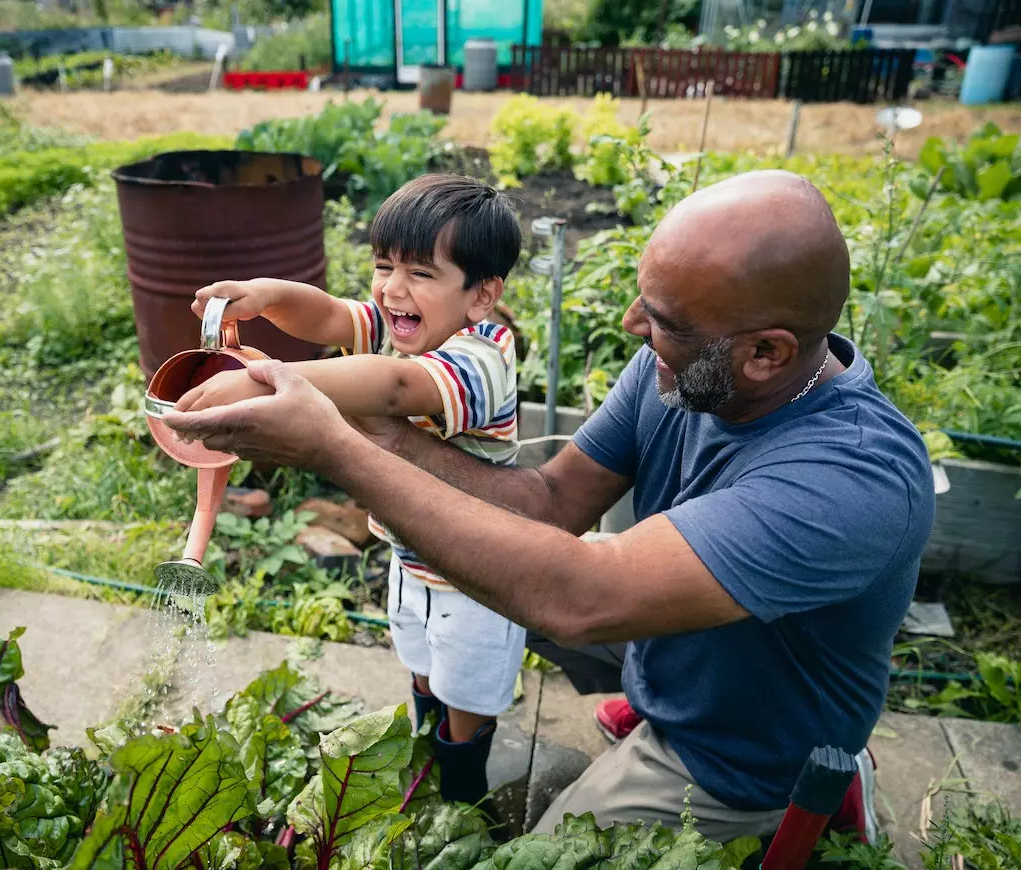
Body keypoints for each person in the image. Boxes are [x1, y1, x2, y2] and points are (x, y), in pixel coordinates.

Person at [162, 170, 937, 845]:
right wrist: (346, 418)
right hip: (665, 644)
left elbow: (579, 597)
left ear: (766, 352)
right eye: (646, 300)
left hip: (738, 749)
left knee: (542, 846)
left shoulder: (851, 477)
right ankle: (646, 696)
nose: (635, 327)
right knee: (490, 584)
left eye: (664, 321)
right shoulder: (683, 369)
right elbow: (548, 504)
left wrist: (331, 441)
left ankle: (820, 795)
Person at [174, 173, 527, 809]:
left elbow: (396, 388)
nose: (393, 288)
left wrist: (265, 383)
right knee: (421, 663)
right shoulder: (403, 326)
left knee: (467, 691)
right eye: (384, 265)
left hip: (481, 574)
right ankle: (426, 749)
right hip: (410, 557)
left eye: (421, 273)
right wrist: (266, 296)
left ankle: (463, 791)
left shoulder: (481, 360)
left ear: (481, 295)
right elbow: (332, 315)